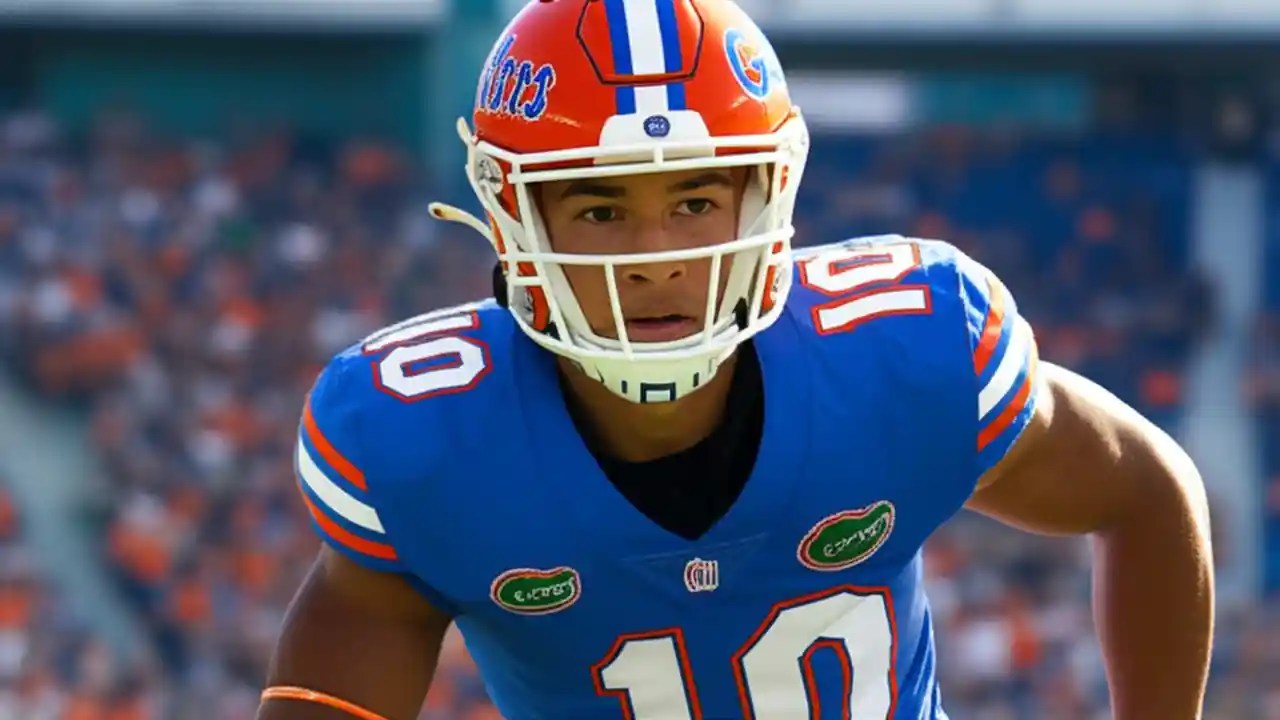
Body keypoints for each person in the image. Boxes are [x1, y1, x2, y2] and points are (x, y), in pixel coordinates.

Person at [257, 1, 1214, 718]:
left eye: (695, 201)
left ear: (767, 200)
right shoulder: (423, 439)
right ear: (513, 217)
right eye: (599, 210)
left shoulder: (908, 352)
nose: (658, 255)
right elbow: (346, 652)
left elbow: (1146, 494)